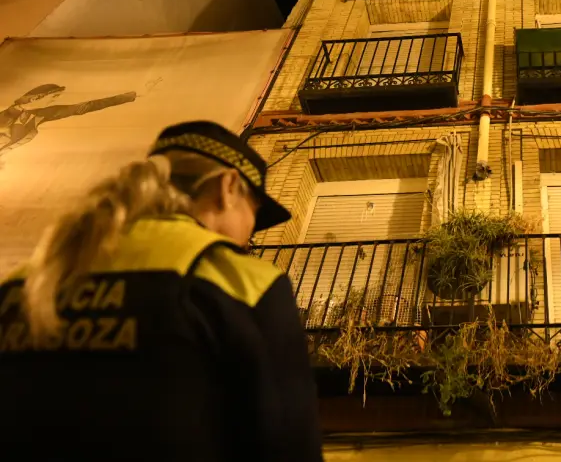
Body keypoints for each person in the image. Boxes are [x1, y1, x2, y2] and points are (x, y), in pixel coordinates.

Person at [0, 121, 322, 461]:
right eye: (253, 215)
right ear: (228, 187)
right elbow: (288, 443)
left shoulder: (25, 280)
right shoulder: (241, 282)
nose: (248, 237)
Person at [0, 83, 137, 160]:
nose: (52, 101)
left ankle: (126, 97)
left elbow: (82, 108)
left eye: (55, 98)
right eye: (52, 97)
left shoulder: (43, 112)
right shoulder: (10, 115)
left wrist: (125, 97)